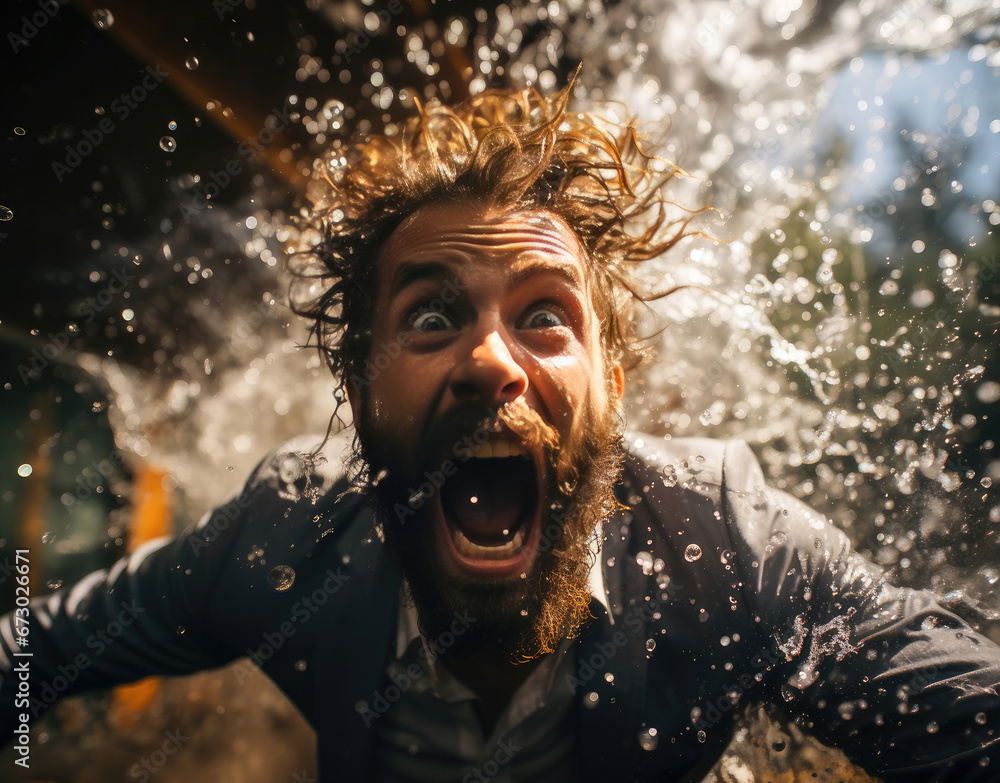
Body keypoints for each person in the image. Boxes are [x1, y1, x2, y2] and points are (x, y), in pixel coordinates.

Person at [2, 85, 998, 783]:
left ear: (613, 382)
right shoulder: (280, 545)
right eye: (431, 316)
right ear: (357, 388)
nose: (489, 362)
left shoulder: (729, 548)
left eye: (543, 315)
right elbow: (36, 652)